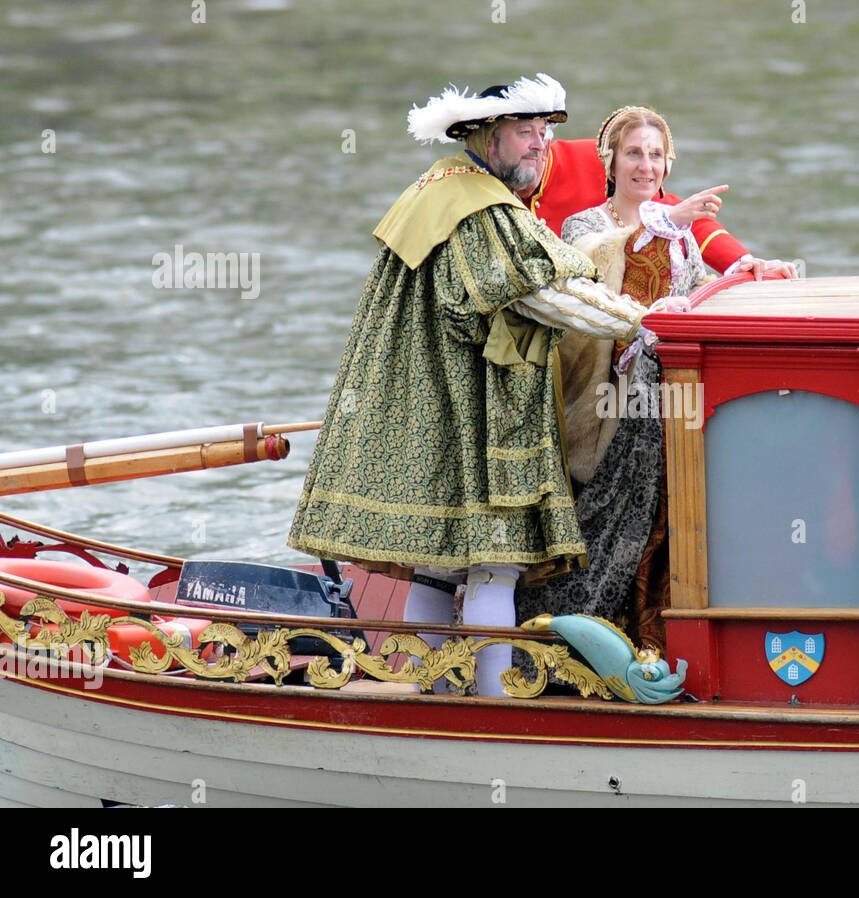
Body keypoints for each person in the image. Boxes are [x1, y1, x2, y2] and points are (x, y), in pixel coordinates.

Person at [287, 74, 659, 695]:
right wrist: (648, 322)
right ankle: (489, 703)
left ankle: (437, 695)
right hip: (470, 415)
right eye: (525, 132)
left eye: (545, 134)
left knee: (436, 571)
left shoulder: (436, 189)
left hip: (426, 407)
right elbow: (552, 295)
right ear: (484, 135)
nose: (540, 146)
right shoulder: (478, 207)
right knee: (493, 569)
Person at [515, 106, 712, 653]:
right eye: (633, 153)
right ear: (611, 161)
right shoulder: (585, 226)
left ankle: (665, 640)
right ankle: (566, 645)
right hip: (608, 402)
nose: (644, 166)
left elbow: (700, 296)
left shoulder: (682, 237)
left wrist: (749, 273)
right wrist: (661, 226)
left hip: (672, 401)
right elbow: (593, 274)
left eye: (655, 155)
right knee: (609, 519)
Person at [519, 127, 798, 280]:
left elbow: (672, 211)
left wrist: (741, 261)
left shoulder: (592, 159)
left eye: (536, 135)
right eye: (520, 136)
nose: (532, 149)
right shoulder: (480, 182)